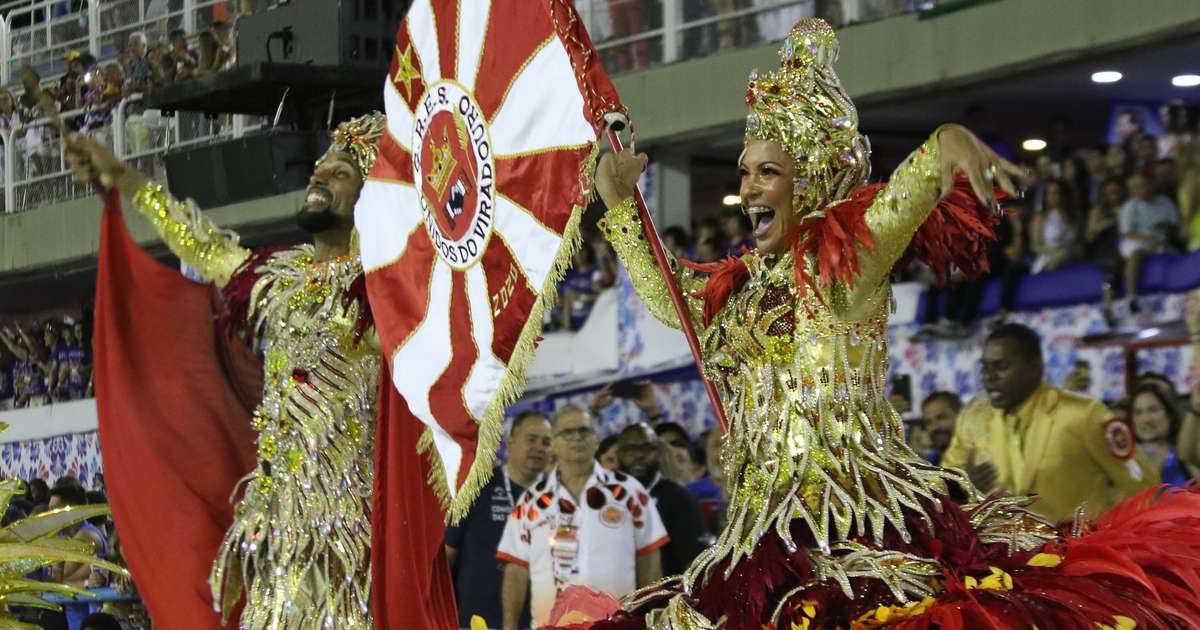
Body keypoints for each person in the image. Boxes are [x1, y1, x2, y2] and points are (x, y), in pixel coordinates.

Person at [567, 19, 1200, 629]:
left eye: (768, 172)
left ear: (810, 182)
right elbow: (669, 293)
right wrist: (621, 203)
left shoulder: (843, 265)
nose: (749, 188)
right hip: (761, 540)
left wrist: (944, 144)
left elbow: (900, 206)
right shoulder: (736, 291)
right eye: (743, 172)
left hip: (862, 527)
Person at [65, 113, 386, 629]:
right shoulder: (279, 277)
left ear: (373, 197)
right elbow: (204, 245)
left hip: (349, 546)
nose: (319, 177)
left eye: (342, 172)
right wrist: (123, 178)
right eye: (318, 168)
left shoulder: (383, 290)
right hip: (276, 537)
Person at [949, 324, 1156, 522]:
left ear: (1035, 366)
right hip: (1003, 555)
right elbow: (940, 492)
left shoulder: (1084, 415)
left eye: (1000, 366)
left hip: (1079, 553)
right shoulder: (973, 421)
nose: (988, 377)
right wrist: (965, 488)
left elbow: (1144, 489)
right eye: (984, 367)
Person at [497, 407, 667, 628]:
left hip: (617, 625)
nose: (577, 438)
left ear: (596, 440)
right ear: (554, 444)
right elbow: (516, 570)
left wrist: (650, 619)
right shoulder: (531, 501)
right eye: (567, 432)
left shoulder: (629, 492)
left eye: (584, 431)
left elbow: (650, 562)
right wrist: (508, 627)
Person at [446, 411, 551, 630]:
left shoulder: (558, 496)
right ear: (510, 443)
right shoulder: (477, 488)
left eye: (546, 442)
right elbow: (447, 555)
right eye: (531, 439)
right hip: (477, 622)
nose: (539, 447)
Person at [615, 423, 710, 576]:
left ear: (659, 452)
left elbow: (697, 562)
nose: (638, 455)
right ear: (619, 454)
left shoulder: (678, 498)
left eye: (646, 448)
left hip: (665, 595)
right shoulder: (608, 499)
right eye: (630, 449)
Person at [1119, 172, 1180, 316]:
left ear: (1151, 185)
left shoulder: (1165, 201)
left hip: (1161, 241)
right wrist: (1148, 240)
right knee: (1137, 253)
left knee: (1178, 257)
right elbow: (1127, 232)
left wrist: (1166, 226)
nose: (1139, 190)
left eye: (1142, 185)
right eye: (1134, 188)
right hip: (1136, 241)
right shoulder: (1130, 206)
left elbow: (1175, 224)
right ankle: (1131, 296)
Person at [48, 483, 108, 630]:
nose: (49, 515)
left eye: (54, 509)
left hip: (92, 618)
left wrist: (77, 581)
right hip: (74, 616)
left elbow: (58, 579)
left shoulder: (87, 535)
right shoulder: (62, 535)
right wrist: (81, 581)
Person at [1127, 383, 1191, 487]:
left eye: (1153, 410)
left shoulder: (1187, 455)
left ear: (1169, 414)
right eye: (1138, 412)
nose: (1146, 419)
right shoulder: (1125, 463)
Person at [917, 391, 962, 464]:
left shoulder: (980, 459)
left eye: (941, 418)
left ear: (961, 416)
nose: (934, 427)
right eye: (929, 422)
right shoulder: (929, 464)